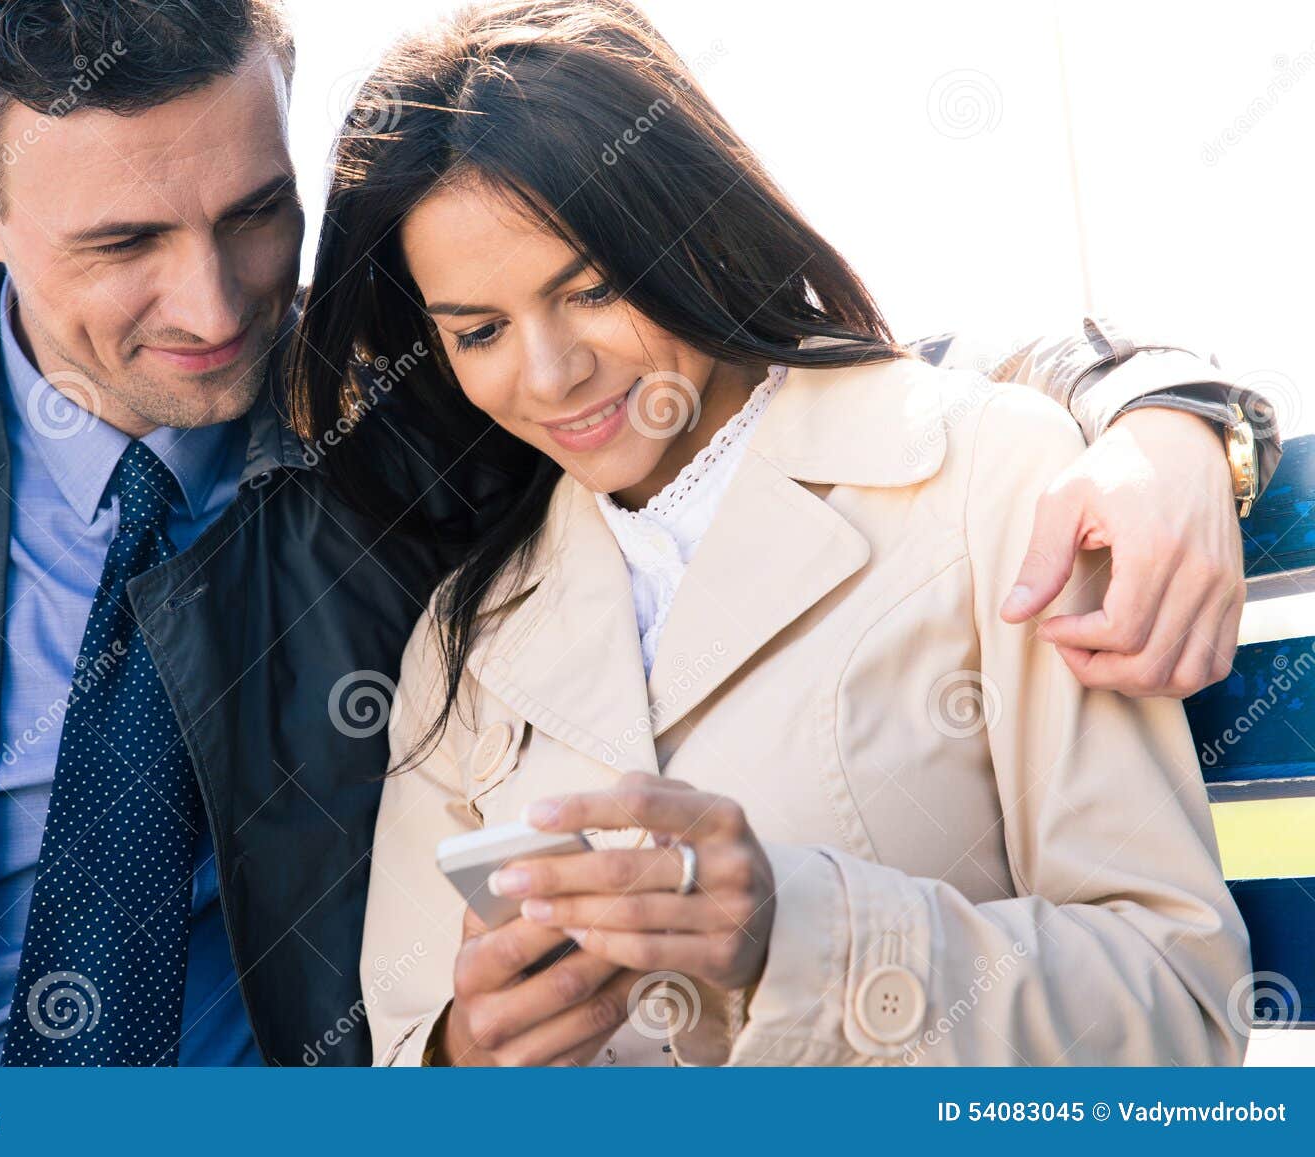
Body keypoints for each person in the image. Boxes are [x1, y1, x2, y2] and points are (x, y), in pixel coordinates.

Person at [0, 0, 1272, 1067]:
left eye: (257, 214)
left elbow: (795, 375)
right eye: (122, 243)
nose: (214, 308)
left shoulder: (399, 397)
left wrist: (1164, 414)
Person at [291, 0, 1257, 1065]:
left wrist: (798, 938)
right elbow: (403, 1055)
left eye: (595, 287)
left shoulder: (988, 476)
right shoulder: (460, 643)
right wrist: (466, 1054)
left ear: (692, 227)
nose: (551, 374)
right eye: (477, 331)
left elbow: (1179, 1009)